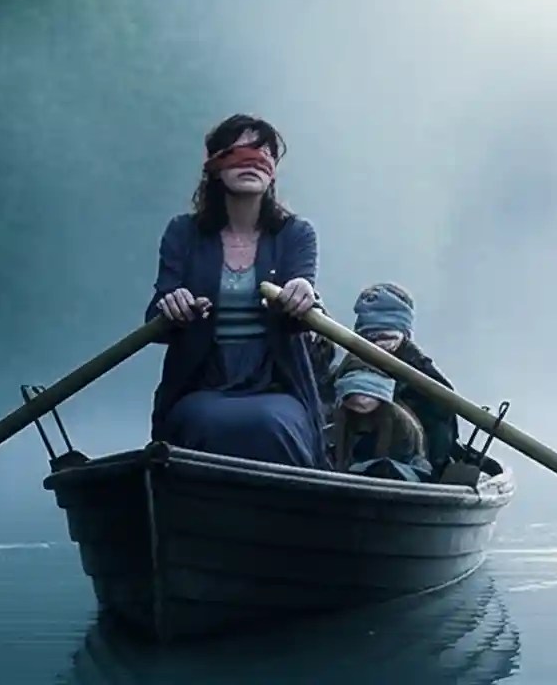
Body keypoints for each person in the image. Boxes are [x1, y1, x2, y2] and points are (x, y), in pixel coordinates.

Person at [144, 114, 328, 469]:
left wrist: (303, 294)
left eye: (263, 154)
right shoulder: (183, 233)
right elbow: (155, 319)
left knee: (272, 423)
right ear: (215, 167)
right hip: (202, 384)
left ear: (273, 172)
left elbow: (303, 306)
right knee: (201, 422)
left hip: (275, 386)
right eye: (238, 152)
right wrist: (173, 305)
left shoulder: (295, 234)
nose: (252, 161)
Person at [346, 282, 460, 476]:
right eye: (370, 338)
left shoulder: (428, 381)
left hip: (412, 468)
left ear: (403, 335)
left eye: (385, 337)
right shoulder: (346, 368)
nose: (378, 346)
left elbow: (441, 441)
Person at [328, 355, 433, 482]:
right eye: (353, 394)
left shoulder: (405, 427)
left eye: (368, 393)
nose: (361, 400)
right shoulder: (332, 424)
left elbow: (416, 470)